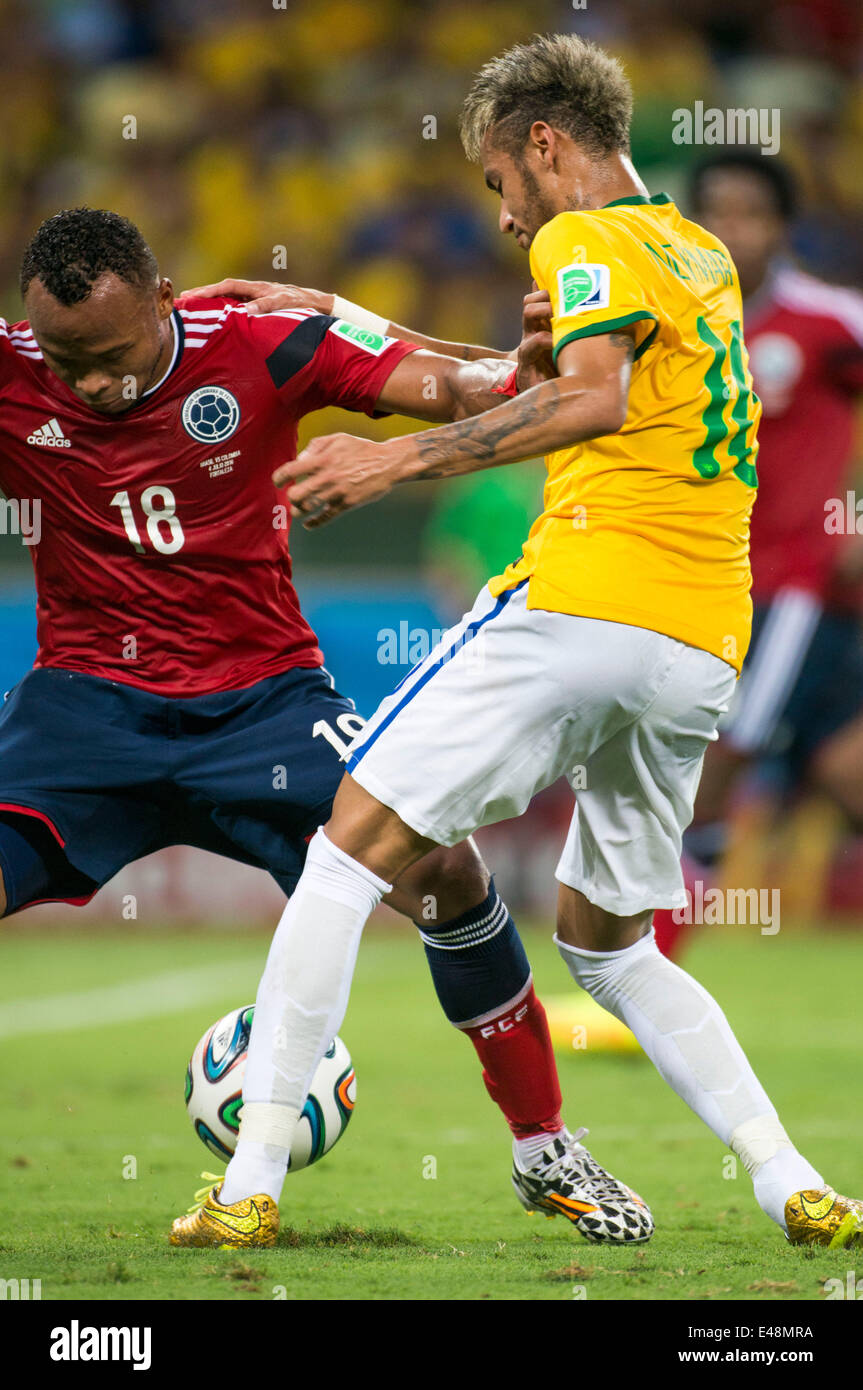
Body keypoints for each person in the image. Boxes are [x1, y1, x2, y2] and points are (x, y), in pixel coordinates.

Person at [178, 33, 862, 1253]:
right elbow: (530, 378)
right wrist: (342, 316)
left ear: (542, 144)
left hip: (583, 601)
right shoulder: (693, 253)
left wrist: (388, 456)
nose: (504, 221)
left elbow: (585, 397)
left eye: (499, 182)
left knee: (348, 852)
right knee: (610, 944)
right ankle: (792, 1181)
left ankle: (247, 1187)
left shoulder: (580, 235)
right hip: (697, 642)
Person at [0, 206, 652, 1247]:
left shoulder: (263, 339)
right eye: (69, 363)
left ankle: (545, 1148)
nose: (93, 388)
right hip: (83, 703)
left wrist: (512, 367)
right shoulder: (12, 372)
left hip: (266, 699)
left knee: (444, 870)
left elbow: (454, 388)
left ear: (166, 301)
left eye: (113, 360)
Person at [653, 151, 863, 958]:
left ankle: (647, 976)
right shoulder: (671, 325)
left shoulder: (826, 321)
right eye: (714, 212)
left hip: (792, 586)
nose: (729, 228)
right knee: (846, 771)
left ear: (781, 226)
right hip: (705, 580)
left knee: (716, 751)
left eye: (748, 212)